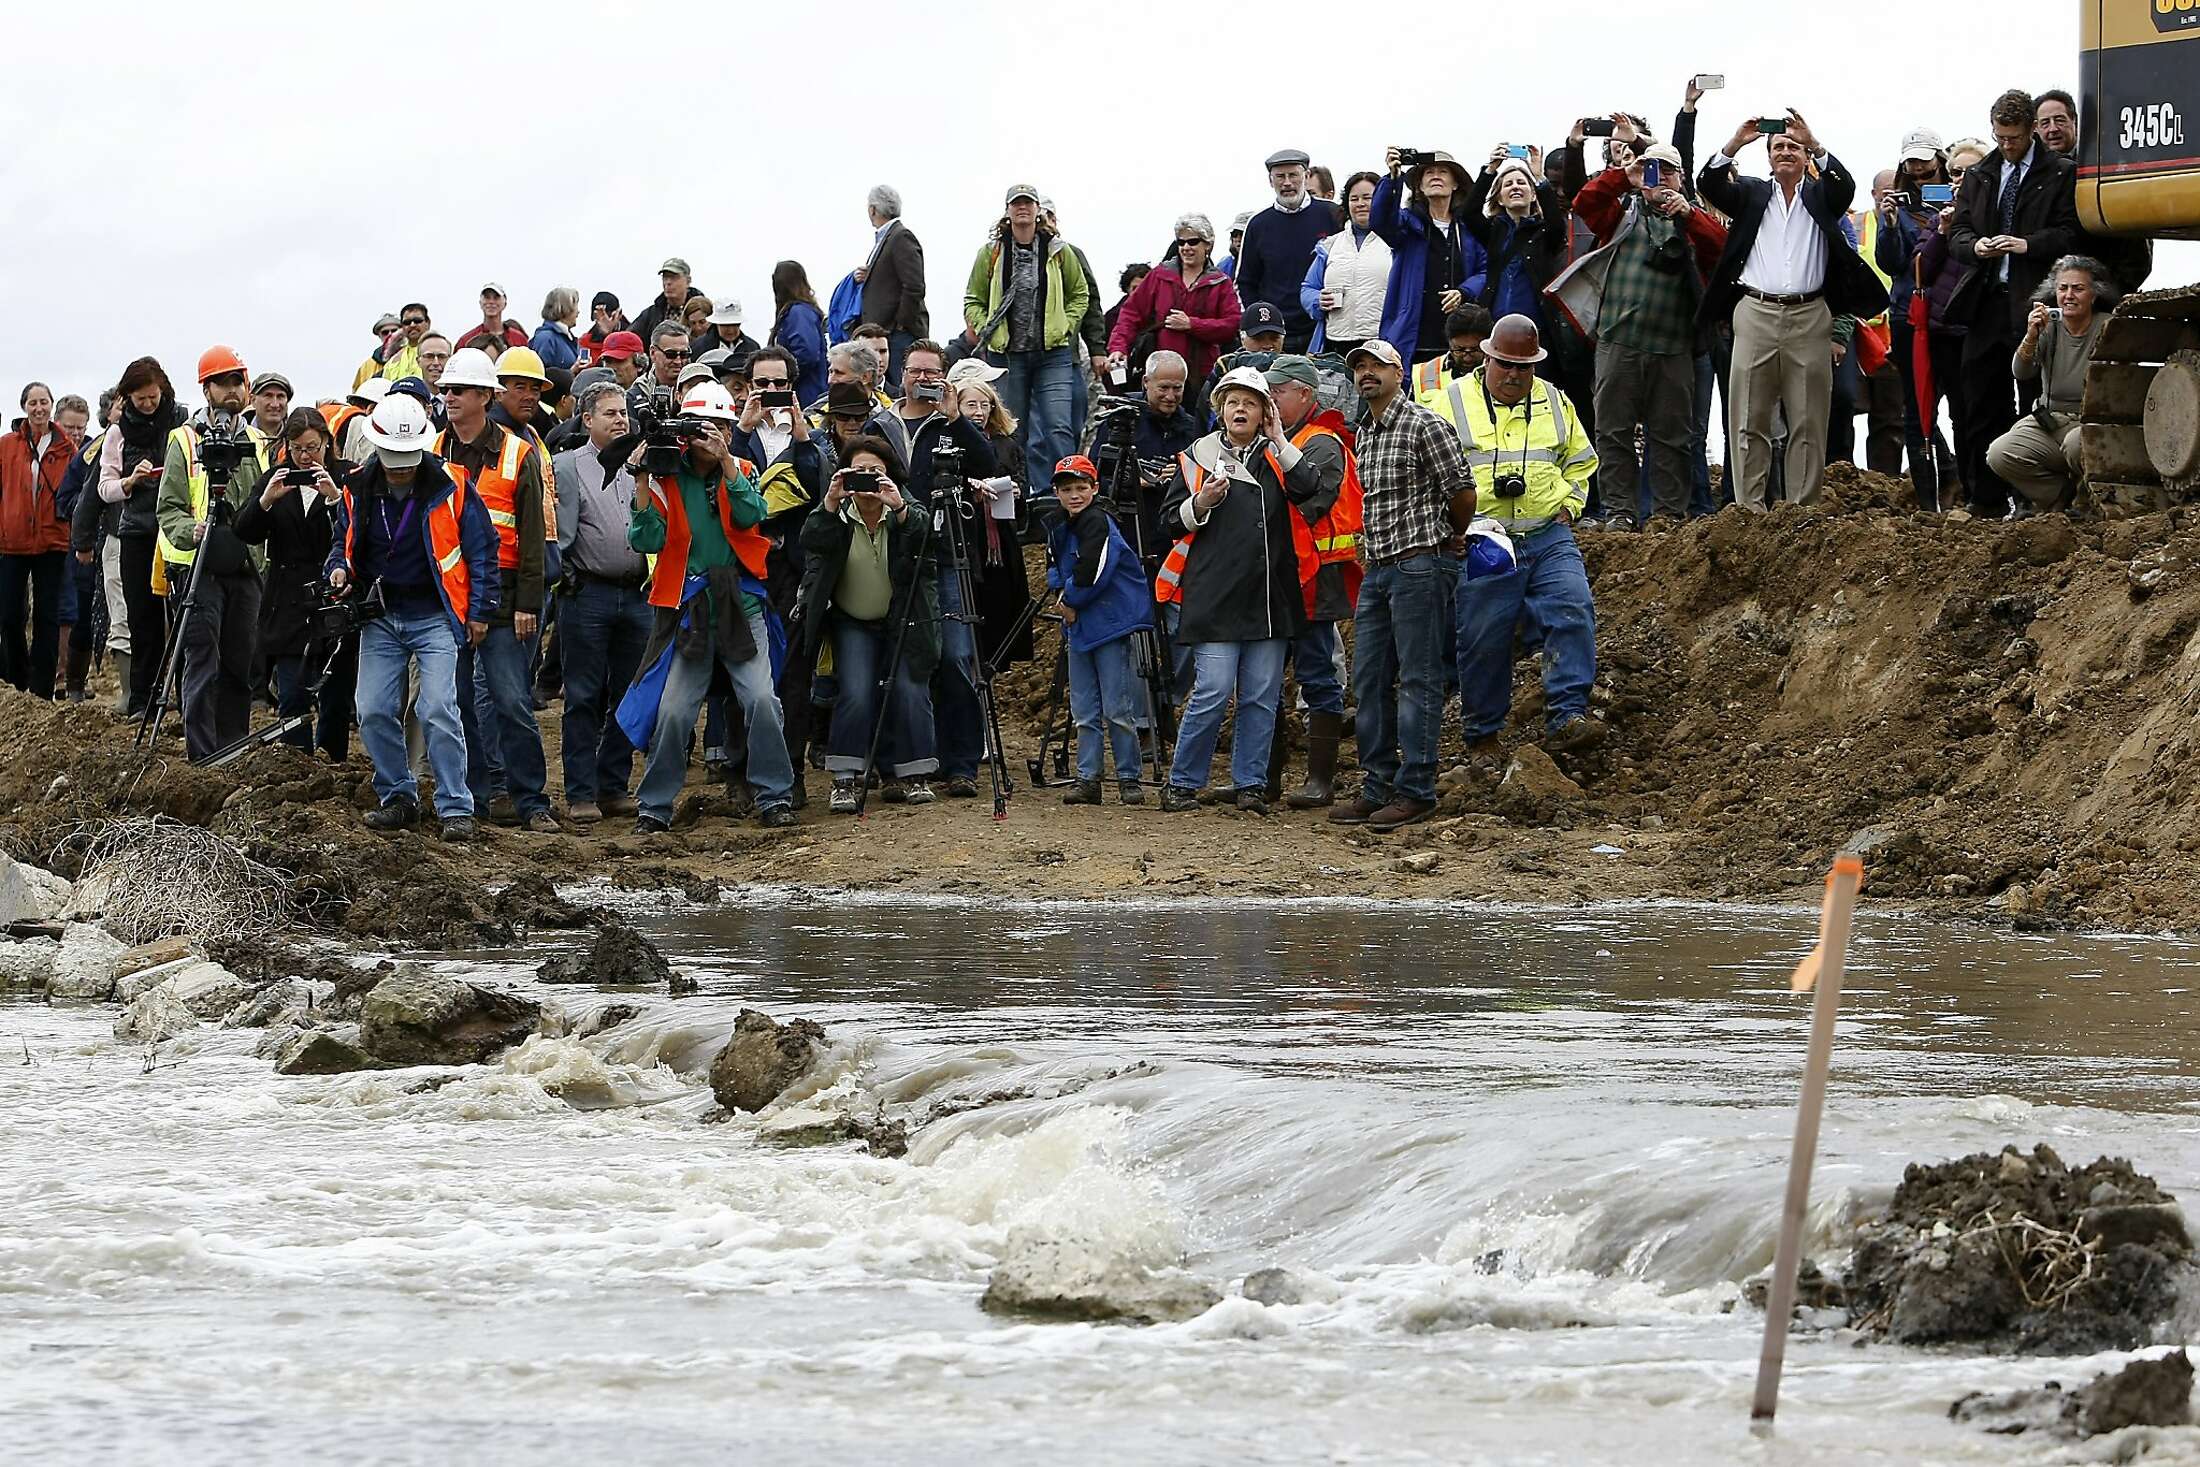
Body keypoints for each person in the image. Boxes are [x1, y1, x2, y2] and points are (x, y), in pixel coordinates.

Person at [1155, 365, 1333, 814]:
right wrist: (1202, 502)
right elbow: (1169, 521)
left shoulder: (1279, 453)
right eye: (1233, 402)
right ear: (1220, 409)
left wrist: (1280, 439)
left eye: (1250, 403)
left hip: (1270, 597)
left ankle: (1250, 783)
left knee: (1261, 696)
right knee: (1212, 691)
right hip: (1215, 595)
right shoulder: (1197, 455)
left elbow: (1311, 487)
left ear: (1264, 413)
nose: (1240, 409)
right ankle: (1181, 783)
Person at [625, 381, 797, 832]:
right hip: (690, 609)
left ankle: (774, 796)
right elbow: (646, 539)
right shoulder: (664, 474)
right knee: (674, 711)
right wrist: (642, 476)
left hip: (742, 606)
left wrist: (726, 460)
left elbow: (750, 515)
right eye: (703, 427)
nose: (711, 434)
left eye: (720, 426)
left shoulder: (740, 465)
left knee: (761, 699)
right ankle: (654, 808)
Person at [327, 393, 498, 840]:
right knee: (373, 710)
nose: (401, 466)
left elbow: (483, 552)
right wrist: (338, 569)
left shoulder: (453, 484)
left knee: (439, 707)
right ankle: (398, 796)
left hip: (436, 616)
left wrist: (480, 612)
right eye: (393, 458)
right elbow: (340, 542)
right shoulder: (357, 488)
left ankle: (455, 807)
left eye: (408, 457)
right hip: (381, 618)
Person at [1698, 110, 1887, 509]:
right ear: (1767, 156)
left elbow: (1845, 186)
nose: (1785, 152)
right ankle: (1749, 510)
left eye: (1793, 147)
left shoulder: (1821, 197)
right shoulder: (1750, 194)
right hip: (1754, 311)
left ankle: (1801, 512)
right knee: (1749, 417)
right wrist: (1735, 143)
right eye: (1778, 146)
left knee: (1807, 419)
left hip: (1810, 314)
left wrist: (1816, 142)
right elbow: (1709, 183)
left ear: (1805, 158)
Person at [1439, 316, 1603, 758]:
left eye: (1523, 367)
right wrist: (1447, 528)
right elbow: (1426, 472)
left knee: (1572, 608)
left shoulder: (1554, 400)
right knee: (1482, 635)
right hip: (1485, 540)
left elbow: (1581, 459)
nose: (1513, 375)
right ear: (1488, 357)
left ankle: (1568, 716)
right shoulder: (1448, 404)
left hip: (1547, 532)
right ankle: (1483, 736)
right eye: (1505, 364)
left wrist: (1571, 503)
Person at [1331, 339, 1474, 832]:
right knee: (1369, 680)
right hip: (1379, 568)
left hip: (1419, 563)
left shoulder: (1423, 424)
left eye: (1378, 366)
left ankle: (1416, 790)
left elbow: (1462, 491)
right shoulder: (1364, 431)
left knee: (1417, 679)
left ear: (1400, 373)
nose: (1367, 374)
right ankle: (1376, 787)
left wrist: (1452, 536)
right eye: (1360, 368)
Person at [1571, 134, 1728, 529]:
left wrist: (1687, 214)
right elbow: (1583, 203)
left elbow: (1722, 249)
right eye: (1654, 168)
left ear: (1681, 178)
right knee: (1613, 431)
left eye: (1669, 170)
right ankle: (1620, 512)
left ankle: (1667, 515)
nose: (1661, 178)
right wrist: (1625, 175)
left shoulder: (1692, 220)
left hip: (1675, 346)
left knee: (1672, 436)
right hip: (1618, 339)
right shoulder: (1621, 213)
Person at [436, 346, 556, 832]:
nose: (449, 397)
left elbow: (533, 535)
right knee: (459, 701)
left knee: (511, 701)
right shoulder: (433, 450)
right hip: (454, 596)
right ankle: (476, 799)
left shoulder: (518, 453)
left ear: (485, 396)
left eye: (459, 389)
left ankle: (532, 801)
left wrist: (530, 601)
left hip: (506, 596)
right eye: (446, 389)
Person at [1946, 89, 2080, 519]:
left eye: (2015, 138)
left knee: (2033, 401)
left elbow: (2070, 233)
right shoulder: (1981, 174)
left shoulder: (2058, 173)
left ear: (2030, 132)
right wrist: (1977, 246)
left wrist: (2025, 245)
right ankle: (1984, 500)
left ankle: (2031, 500)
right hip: (1986, 301)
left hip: (2032, 300)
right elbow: (1958, 233)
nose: (2007, 145)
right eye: (2000, 137)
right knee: (1981, 400)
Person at [794, 435, 941, 812]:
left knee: (910, 689)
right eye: (858, 472)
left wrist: (900, 507)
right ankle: (845, 779)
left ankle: (915, 775)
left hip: (902, 620)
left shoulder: (906, 509)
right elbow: (811, 540)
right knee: (855, 692)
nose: (867, 480)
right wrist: (830, 500)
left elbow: (928, 543)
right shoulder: (836, 515)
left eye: (875, 472)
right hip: (851, 620)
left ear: (890, 475)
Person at [893, 339, 1013, 795]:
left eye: (931, 372)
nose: (923, 379)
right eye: (915, 371)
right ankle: (910, 761)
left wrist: (955, 418)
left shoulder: (952, 423)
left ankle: (962, 763)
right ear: (900, 374)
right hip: (897, 555)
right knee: (907, 658)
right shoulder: (884, 422)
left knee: (958, 656)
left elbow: (987, 463)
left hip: (948, 556)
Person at [155, 346, 270, 759]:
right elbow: (167, 507)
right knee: (202, 661)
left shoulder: (256, 440)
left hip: (245, 565)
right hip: (199, 566)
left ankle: (233, 746)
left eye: (237, 381)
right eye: (223, 382)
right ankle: (201, 753)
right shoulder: (184, 440)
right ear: (207, 390)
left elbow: (265, 502)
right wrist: (193, 530)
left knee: (240, 663)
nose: (233, 390)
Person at [1258, 355, 1361, 809]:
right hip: (1280, 576)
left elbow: (1307, 504)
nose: (1269, 400)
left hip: (1314, 578)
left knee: (1317, 674)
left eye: (1276, 392)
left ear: (1304, 393)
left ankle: (1320, 781)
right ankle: (1265, 778)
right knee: (1263, 677)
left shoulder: (1321, 443)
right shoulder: (1282, 439)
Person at [549, 382, 652, 821]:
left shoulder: (646, 462)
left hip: (638, 595)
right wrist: (565, 576)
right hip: (586, 592)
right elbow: (554, 527)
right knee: (584, 694)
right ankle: (580, 793)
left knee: (629, 695)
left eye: (623, 412)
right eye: (609, 413)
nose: (620, 419)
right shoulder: (566, 466)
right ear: (587, 419)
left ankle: (614, 786)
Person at [233, 407, 352, 758]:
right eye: (297, 448)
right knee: (292, 693)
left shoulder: (345, 477)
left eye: (313, 448)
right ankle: (296, 762)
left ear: (327, 443)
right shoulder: (276, 477)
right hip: (287, 601)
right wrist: (266, 501)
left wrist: (335, 499)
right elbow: (244, 530)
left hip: (334, 595)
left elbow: (356, 535)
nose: (305, 456)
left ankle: (333, 762)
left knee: (334, 694)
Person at [964, 183, 1090, 492]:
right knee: (1011, 429)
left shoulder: (1060, 251)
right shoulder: (991, 253)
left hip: (1053, 354)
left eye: (1028, 203)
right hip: (1007, 355)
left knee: (1059, 427)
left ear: (1038, 211)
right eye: (1016, 203)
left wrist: (1065, 326)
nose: (1022, 208)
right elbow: (972, 299)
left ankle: (1069, 491)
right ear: (1007, 211)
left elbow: (1080, 294)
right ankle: (1016, 495)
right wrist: (986, 329)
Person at [1045, 454, 1154, 806]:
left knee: (1116, 707)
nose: (1074, 495)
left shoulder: (1098, 523)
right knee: (1085, 710)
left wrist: (1070, 602)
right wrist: (1064, 598)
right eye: (1067, 489)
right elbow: (1057, 566)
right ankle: (1088, 777)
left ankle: (1128, 777)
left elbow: (1094, 572)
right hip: (1082, 625)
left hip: (1105, 623)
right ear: (1057, 493)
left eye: (1081, 487)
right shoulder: (1062, 524)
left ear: (1094, 488)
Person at [1987, 256, 2112, 512]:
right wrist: (2031, 335)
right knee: (2000, 453)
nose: (2069, 296)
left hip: (2091, 421)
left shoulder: (2109, 327)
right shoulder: (2049, 326)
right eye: (2062, 288)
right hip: (2050, 418)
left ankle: (2093, 502)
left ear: (2094, 294)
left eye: (2078, 289)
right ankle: (2061, 498)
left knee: (2078, 444)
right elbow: (2021, 373)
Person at [99, 357, 185, 716]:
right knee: (142, 618)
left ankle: (184, 696)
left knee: (182, 616)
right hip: (136, 531)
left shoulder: (181, 423)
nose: (148, 405)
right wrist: (130, 482)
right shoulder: (117, 433)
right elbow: (104, 488)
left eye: (153, 397)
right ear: (126, 397)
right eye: (140, 400)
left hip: (176, 530)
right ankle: (143, 699)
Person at [1373, 149, 1491, 365]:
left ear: (1455, 184)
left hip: (1460, 340)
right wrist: (1392, 178)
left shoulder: (1468, 229)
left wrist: (1464, 291)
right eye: (1428, 173)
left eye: (1443, 171)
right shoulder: (1407, 225)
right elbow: (1380, 220)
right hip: (1414, 336)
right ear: (1419, 186)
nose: (1436, 175)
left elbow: (1486, 270)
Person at [1105, 214, 1242, 391]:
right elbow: (1131, 314)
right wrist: (1118, 348)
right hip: (1160, 375)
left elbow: (1232, 325)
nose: (1186, 247)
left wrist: (1192, 324)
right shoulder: (1159, 276)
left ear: (1207, 244)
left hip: (1202, 376)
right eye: (1181, 242)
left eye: (1193, 242)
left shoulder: (1220, 282)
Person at [0, 382, 77, 698]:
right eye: (32, 403)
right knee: (9, 615)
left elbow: (75, 490)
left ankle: (42, 687)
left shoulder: (66, 448)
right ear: (24, 407)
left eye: (43, 402)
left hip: (52, 542)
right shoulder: (6, 446)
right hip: (12, 541)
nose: (38, 408)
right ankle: (15, 680)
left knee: (47, 615)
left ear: (51, 405)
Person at [1235, 149, 1339, 353]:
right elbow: (1245, 281)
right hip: (1275, 334)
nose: (1287, 183)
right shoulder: (1257, 224)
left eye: (1293, 175)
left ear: (1306, 176)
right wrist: (1261, 321)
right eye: (1280, 177)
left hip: (1324, 327)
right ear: (1270, 181)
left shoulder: (1331, 214)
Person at [1301, 171, 1392, 357]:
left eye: (1368, 198)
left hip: (1383, 342)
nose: (1360, 204)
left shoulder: (1395, 243)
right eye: (1354, 198)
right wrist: (1317, 300)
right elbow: (1308, 288)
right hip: (1335, 343)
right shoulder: (1329, 245)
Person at [859, 184, 929, 387]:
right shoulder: (887, 238)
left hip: (898, 335)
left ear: (872, 209)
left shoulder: (901, 236)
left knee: (902, 390)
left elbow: (915, 286)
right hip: (887, 334)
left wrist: (900, 323)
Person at [768, 261, 830, 407]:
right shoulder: (797, 312)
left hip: (807, 395)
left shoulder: (798, 313)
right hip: (804, 393)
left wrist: (782, 374)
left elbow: (807, 354)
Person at [1412, 307, 1494, 406]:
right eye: (1459, 350)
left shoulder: (1501, 375)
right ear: (1449, 342)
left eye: (1475, 350)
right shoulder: (1421, 373)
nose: (1467, 358)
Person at [632, 257, 701, 344]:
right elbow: (630, 337)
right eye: (665, 278)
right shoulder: (652, 314)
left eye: (674, 278)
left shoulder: (704, 311)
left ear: (688, 281)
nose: (668, 282)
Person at [456, 283, 528, 357]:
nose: (491, 302)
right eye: (487, 297)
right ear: (480, 303)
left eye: (496, 297)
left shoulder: (519, 339)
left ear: (505, 303)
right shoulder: (466, 341)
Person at [531, 287, 583, 373]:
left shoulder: (569, 339)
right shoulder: (546, 338)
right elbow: (541, 375)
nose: (578, 312)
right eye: (575, 306)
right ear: (564, 308)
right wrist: (571, 372)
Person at [578, 291, 627, 365]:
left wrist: (609, 336)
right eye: (599, 316)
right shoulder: (585, 342)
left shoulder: (633, 337)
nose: (604, 321)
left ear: (619, 314)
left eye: (609, 316)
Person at [246, 372, 292, 438]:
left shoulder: (296, 439)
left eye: (280, 396)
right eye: (268, 396)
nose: (275, 405)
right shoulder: (234, 434)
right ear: (253, 400)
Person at [1219, 213, 1250, 279]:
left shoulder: (1266, 265)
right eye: (1235, 234)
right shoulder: (1224, 265)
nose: (1238, 239)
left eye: (1243, 234)